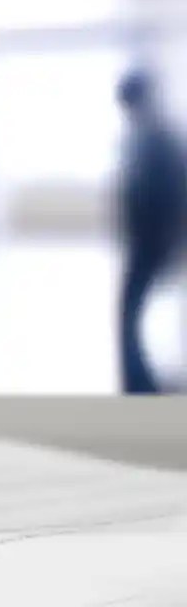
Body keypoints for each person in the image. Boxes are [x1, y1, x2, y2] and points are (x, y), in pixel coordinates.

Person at [116, 70, 187, 394]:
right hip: (149, 241)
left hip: (153, 242)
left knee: (131, 311)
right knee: (132, 311)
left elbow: (168, 194)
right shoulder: (149, 135)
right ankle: (140, 383)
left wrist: (170, 241)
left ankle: (141, 387)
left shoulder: (158, 139)